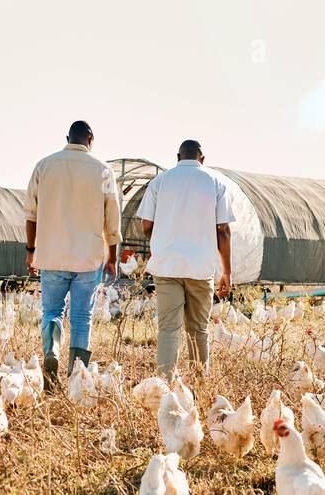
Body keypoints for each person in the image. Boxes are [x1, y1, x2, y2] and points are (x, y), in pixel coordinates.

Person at [24, 121, 122, 387]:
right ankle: (76, 376)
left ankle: (52, 350)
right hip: (87, 258)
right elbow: (112, 216)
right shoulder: (103, 170)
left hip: (52, 255)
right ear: (91, 139)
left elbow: (31, 214)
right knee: (81, 317)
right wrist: (112, 256)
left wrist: (31, 250)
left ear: (67, 137)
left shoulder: (44, 166)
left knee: (52, 310)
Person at [137, 139, 234, 377]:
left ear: (177, 157)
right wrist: (227, 272)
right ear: (202, 159)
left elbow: (146, 225)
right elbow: (222, 230)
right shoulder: (216, 183)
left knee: (168, 329)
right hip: (200, 269)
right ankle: (200, 380)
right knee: (198, 329)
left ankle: (165, 382)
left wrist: (160, 240)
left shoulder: (160, 181)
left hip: (167, 267)